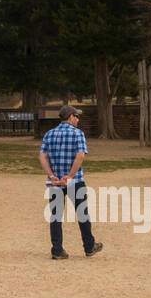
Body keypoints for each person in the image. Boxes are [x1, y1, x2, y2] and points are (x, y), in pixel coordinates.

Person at [39, 105, 103, 261]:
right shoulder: (78, 134)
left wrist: (51, 175)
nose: (78, 119)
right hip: (75, 181)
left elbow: (43, 156)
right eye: (77, 116)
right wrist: (70, 175)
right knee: (82, 213)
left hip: (55, 182)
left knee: (56, 216)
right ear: (71, 117)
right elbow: (80, 156)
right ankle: (89, 246)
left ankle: (57, 250)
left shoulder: (49, 134)